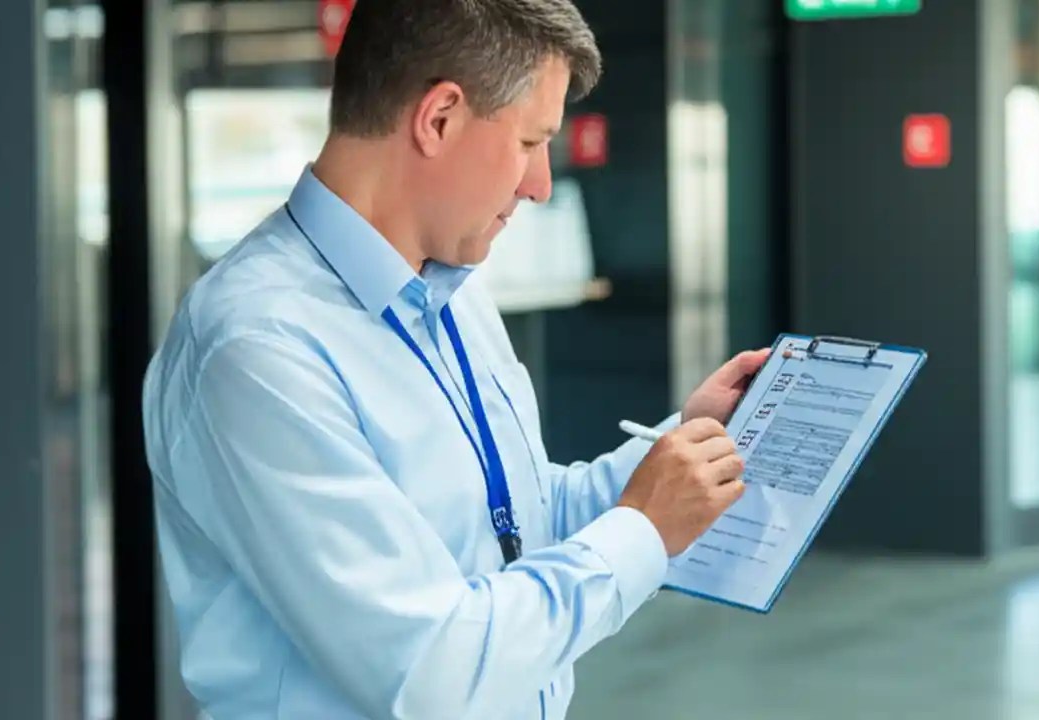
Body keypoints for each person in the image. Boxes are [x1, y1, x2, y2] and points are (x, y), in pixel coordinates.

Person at [141, 0, 769, 717]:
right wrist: (645, 530)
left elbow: (514, 524)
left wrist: (681, 450)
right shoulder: (257, 348)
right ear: (438, 118)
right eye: (532, 142)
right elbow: (429, 670)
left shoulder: (451, 289)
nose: (539, 184)